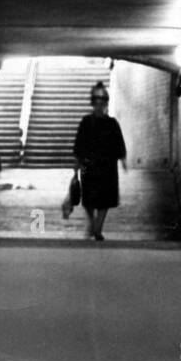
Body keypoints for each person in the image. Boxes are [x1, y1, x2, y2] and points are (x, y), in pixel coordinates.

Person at [71, 80, 127, 241]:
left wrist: (122, 157)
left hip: (107, 167)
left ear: (105, 104)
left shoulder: (112, 123)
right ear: (93, 103)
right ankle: (93, 222)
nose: (100, 106)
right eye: (97, 102)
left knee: (105, 199)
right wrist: (77, 163)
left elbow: (118, 142)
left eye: (102, 103)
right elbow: (79, 143)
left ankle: (98, 229)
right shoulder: (86, 122)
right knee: (88, 198)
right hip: (89, 165)